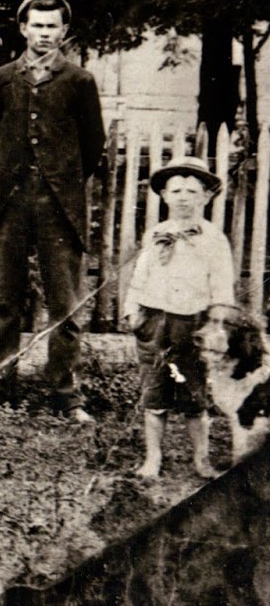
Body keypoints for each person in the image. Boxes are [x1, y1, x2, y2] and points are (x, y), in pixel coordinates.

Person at [0, 0, 106, 420]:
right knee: (3, 302)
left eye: (53, 26)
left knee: (64, 304)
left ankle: (64, 396)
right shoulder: (0, 80)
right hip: (9, 204)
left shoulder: (79, 82)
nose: (45, 34)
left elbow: (92, 146)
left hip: (59, 207)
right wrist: (9, 180)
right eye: (37, 25)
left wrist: (60, 183)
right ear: (23, 28)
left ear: (64, 32)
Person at [122, 157, 235, 480]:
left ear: (205, 197)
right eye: (176, 191)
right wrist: (133, 312)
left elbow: (222, 288)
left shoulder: (214, 239)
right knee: (153, 394)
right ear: (165, 196)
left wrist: (217, 327)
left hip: (193, 324)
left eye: (191, 191)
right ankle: (152, 459)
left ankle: (201, 460)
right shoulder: (156, 233)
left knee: (194, 395)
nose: (183, 197)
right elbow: (140, 277)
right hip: (155, 322)